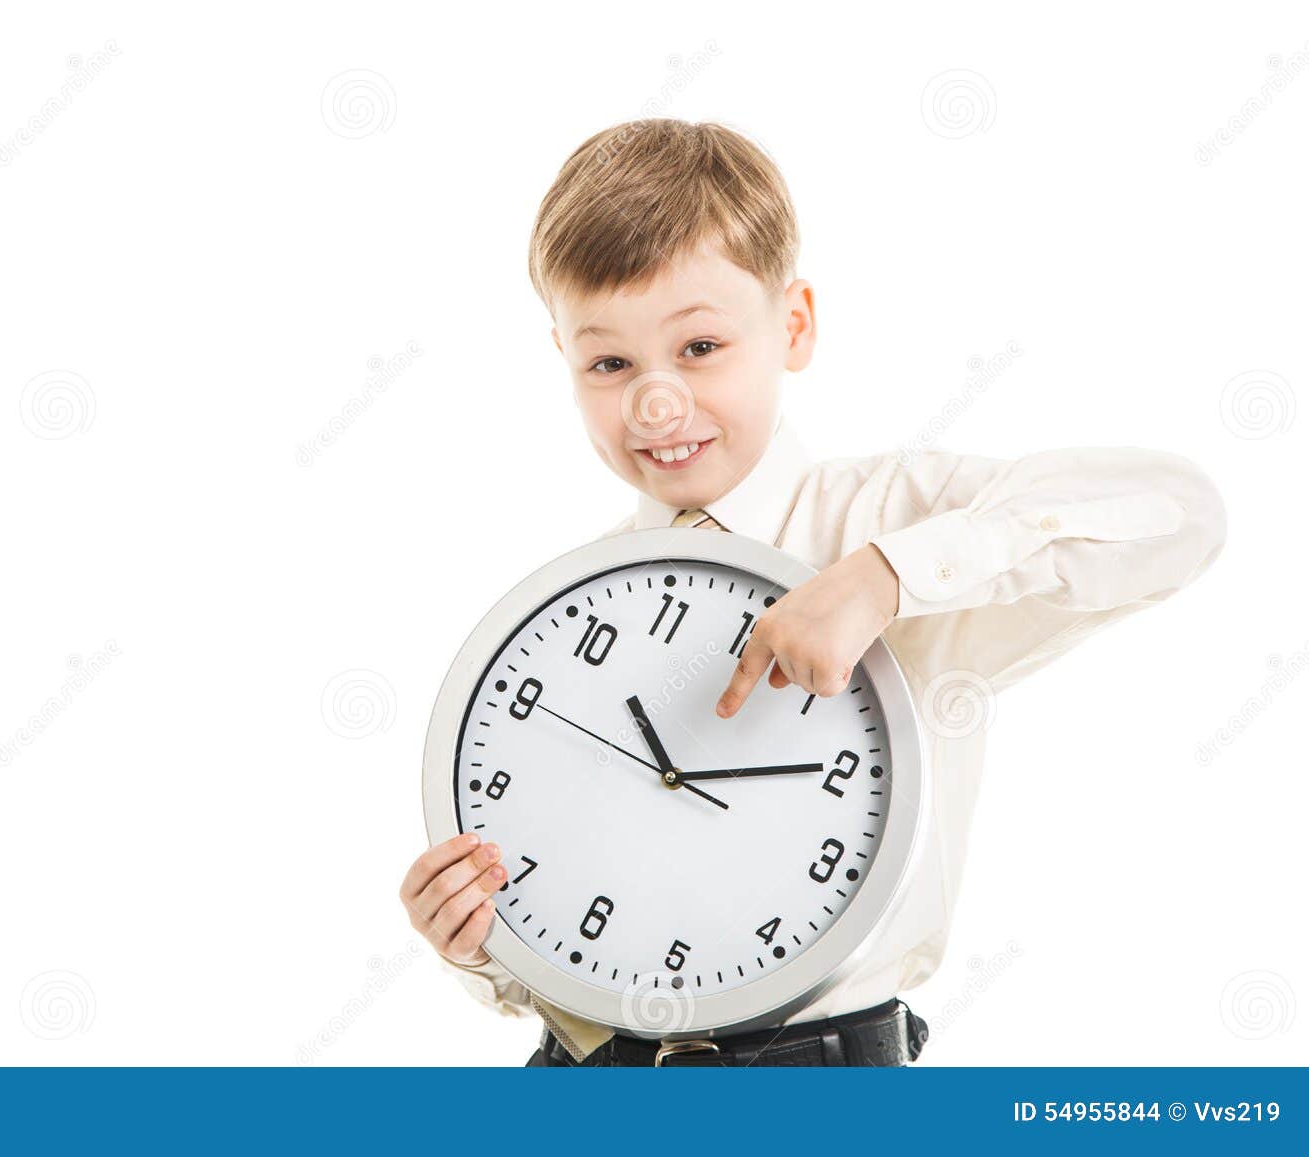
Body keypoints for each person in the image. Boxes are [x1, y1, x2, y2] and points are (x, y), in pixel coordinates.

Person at [398, 118, 1226, 1066]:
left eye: (700, 345)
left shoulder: (888, 522)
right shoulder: (575, 610)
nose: (657, 404)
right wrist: (479, 945)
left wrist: (885, 578)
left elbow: (1180, 512)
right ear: (565, 358)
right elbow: (571, 913)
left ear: (792, 326)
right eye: (610, 363)